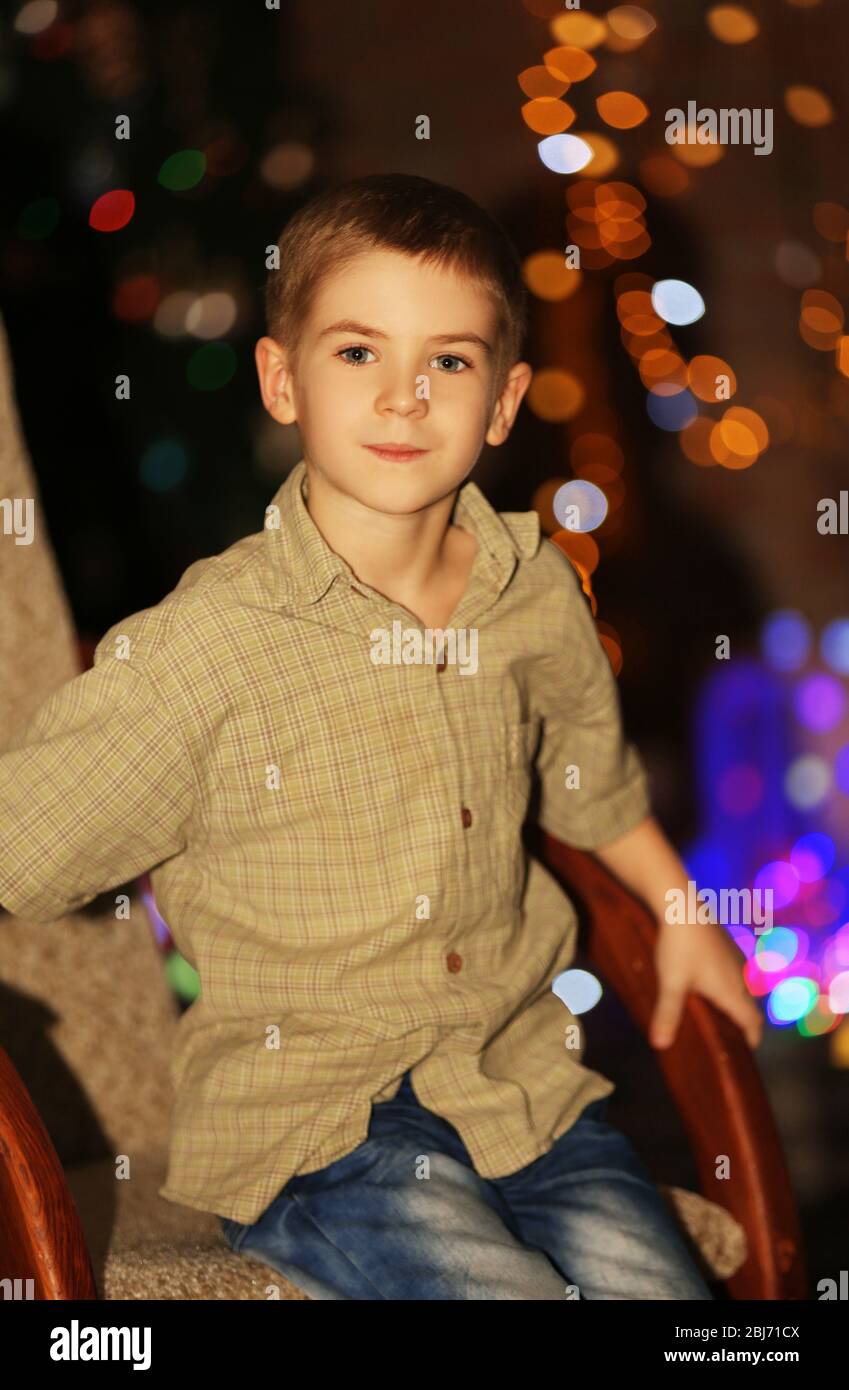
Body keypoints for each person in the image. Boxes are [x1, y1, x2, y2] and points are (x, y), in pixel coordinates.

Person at [0, 173, 762, 1299]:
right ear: (281, 377)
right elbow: (26, 840)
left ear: (502, 402)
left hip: (522, 1092)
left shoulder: (534, 589)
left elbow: (587, 777)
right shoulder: (207, 645)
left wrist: (682, 911)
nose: (404, 397)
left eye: (448, 361)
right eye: (359, 352)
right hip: (319, 1129)